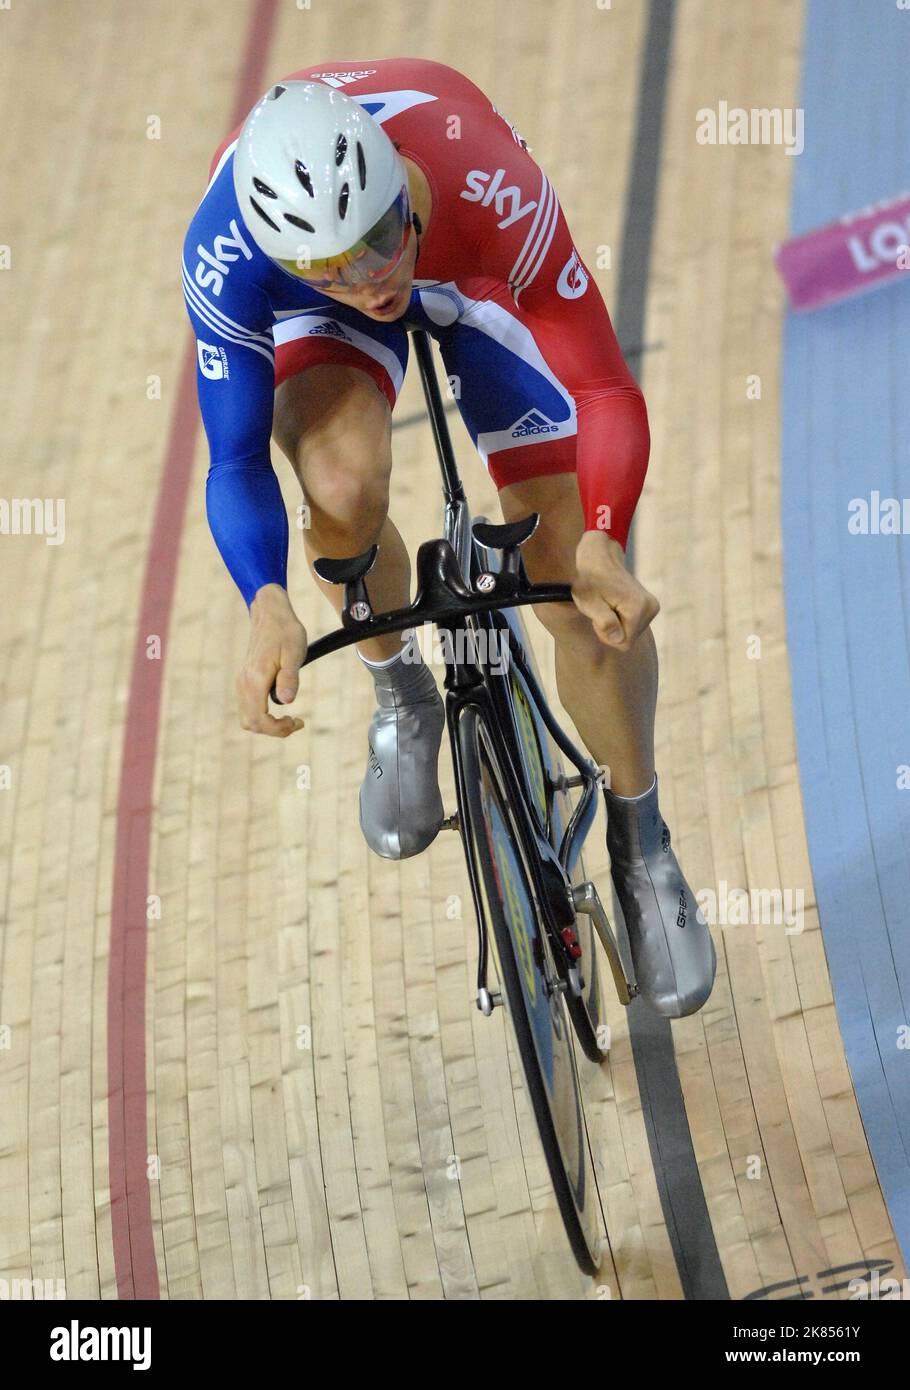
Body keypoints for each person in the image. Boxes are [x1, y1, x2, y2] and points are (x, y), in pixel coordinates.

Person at [182, 59, 715, 1018]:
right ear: (286, 257)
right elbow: (233, 464)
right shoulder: (230, 248)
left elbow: (602, 387)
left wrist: (602, 535)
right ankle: (403, 692)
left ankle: (644, 845)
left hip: (467, 265)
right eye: (332, 265)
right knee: (338, 483)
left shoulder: (482, 177)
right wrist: (264, 599)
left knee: (576, 589)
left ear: (394, 175)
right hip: (326, 325)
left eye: (377, 241)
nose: (372, 279)